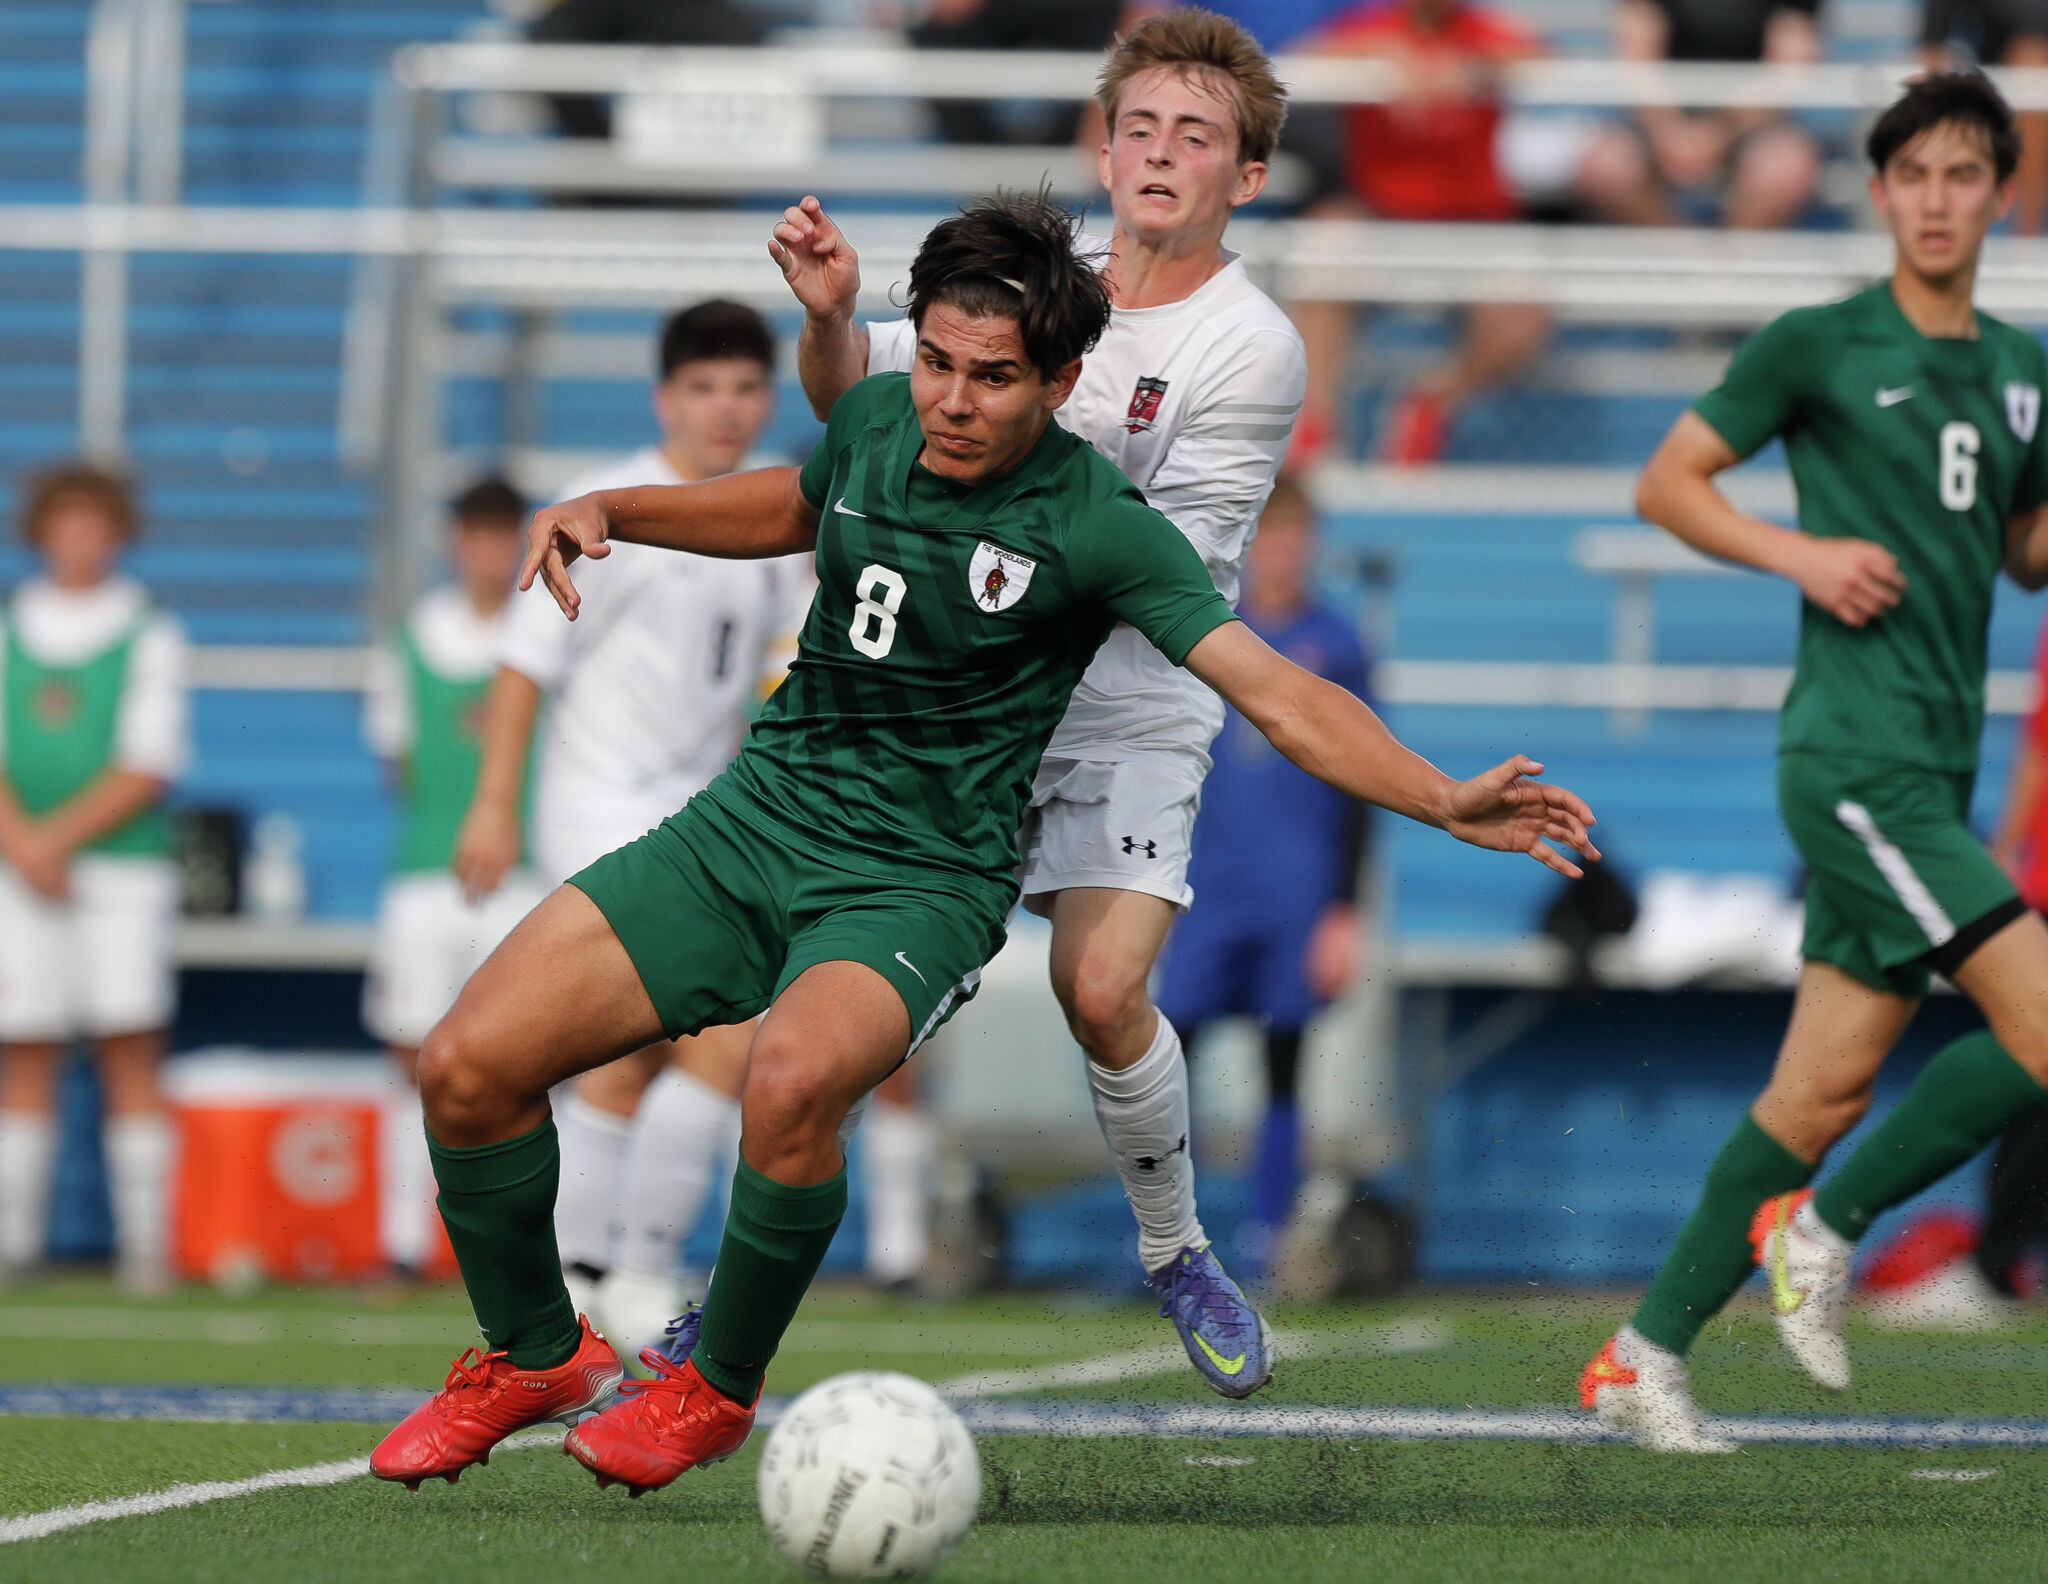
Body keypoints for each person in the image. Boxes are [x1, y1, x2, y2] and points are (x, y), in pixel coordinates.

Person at [366, 190, 1599, 1496]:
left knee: (788, 1085)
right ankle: (532, 1355)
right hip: (751, 824)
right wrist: (614, 504)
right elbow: (794, 505)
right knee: (463, 1065)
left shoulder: (1098, 523)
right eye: (940, 362)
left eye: (992, 378)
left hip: (915, 883)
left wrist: (1438, 795)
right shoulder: (880, 420)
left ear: (1062, 382)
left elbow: (1279, 693)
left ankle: (712, 1389)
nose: (952, 399)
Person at [770, 5, 1305, 1399]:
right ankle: (735, 1297)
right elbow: (859, 420)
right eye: (1139, 126)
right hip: (959, 691)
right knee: (838, 1007)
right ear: (1104, 142)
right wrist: (831, 321)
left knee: (1102, 987)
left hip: (1129, 699)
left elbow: (1148, 572)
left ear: (1245, 176)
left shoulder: (1249, 345)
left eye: (1198, 136)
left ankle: (1176, 1246)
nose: (1160, 153)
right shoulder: (1022, 277)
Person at [1583, 72, 2048, 1453]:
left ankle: (1642, 1355)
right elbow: (1666, 481)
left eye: (1966, 176)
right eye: (1916, 175)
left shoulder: (2023, 370)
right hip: (1854, 761)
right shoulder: (1819, 343)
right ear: (1882, 190)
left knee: (1817, 1093)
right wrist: (1800, 552)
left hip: (1934, 763)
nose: (1939, 199)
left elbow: (2022, 551)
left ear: (2001, 196)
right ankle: (1827, 1225)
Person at [453, 299, 807, 1349]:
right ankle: (618, 1272)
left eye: (744, 387)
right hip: (599, 804)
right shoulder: (607, 509)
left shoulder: (777, 521)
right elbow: (527, 663)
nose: (725, 407)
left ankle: (605, 1272)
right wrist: (491, 802)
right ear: (665, 398)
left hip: (704, 809)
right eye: (703, 388)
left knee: (692, 1043)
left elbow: (778, 671)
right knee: (656, 1037)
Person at [1156, 476, 1372, 1278]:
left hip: (1297, 887)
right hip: (1210, 882)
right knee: (1163, 1055)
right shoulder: (1210, 631)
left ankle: (1265, 1236)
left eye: (1294, 539)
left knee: (1284, 1058)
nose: (1282, 554)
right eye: (1270, 539)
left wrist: (1343, 910)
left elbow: (1361, 783)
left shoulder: (1337, 642)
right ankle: (1160, 1235)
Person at [0, 463, 188, 1291]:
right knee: (26, 1050)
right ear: (41, 529)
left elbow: (148, 765)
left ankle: (148, 1249)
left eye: (97, 522)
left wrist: (53, 840)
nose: (82, 538)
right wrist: (25, 846)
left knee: (129, 1045)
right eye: (67, 521)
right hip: (20, 873)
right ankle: (15, 1243)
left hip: (120, 872)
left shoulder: (148, 629)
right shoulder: (10, 626)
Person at [361, 478, 543, 1278]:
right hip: (426, 878)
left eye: (505, 535)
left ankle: (533, 1253)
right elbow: (401, 762)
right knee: (412, 1062)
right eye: (478, 534)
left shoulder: (541, 632)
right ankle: (404, 1244)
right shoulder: (413, 638)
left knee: (533, 1064)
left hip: (528, 877)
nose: (490, 551)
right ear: (455, 541)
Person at [1289, 0, 1552, 466]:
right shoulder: (1373, 29)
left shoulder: (1482, 32)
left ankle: (1430, 400)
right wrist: (1383, 60)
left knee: (1524, 318)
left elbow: (1547, 63)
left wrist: (1470, 72)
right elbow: (1295, 63)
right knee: (1323, 244)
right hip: (1383, 216)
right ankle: (1316, 428)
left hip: (1475, 224)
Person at [1576, 0, 1823, 230]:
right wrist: (1668, 130)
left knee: (1786, 169)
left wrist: (1717, 132)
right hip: (1658, 120)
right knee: (1605, 166)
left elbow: (1787, 72)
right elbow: (1636, 60)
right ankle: (1683, 261)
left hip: (1755, 123)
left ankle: (1726, 268)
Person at [1924, 1, 2048, 235]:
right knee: (2030, 63)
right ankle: (2027, 242)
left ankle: (2027, 243)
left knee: (2032, 66)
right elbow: (1932, 42)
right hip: (2001, 92)